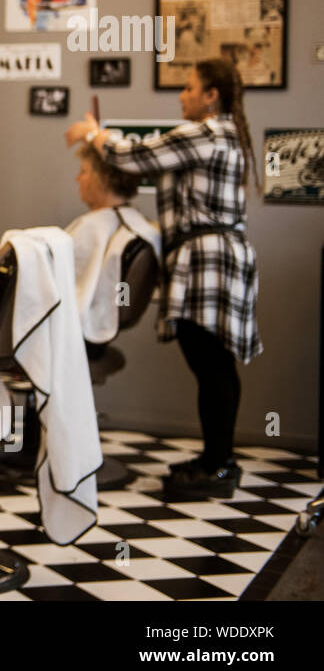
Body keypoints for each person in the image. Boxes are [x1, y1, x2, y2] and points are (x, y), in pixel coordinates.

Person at [66, 57, 262, 499]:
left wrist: (92, 134)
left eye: (189, 87)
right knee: (212, 363)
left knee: (211, 363)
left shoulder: (206, 133)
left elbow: (136, 156)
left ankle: (218, 465)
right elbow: (148, 160)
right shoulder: (213, 137)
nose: (182, 95)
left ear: (211, 95)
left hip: (207, 259)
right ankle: (217, 459)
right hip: (209, 257)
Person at [66, 143, 160, 347]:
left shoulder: (92, 227)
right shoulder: (140, 226)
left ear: (104, 179)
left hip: (75, 334)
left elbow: (58, 283)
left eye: (83, 171)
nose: (78, 179)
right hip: (103, 324)